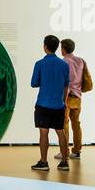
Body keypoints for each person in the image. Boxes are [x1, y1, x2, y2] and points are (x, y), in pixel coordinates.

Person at [30, 34, 70, 172]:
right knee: (61, 132)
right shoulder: (64, 65)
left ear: (45, 47)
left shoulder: (39, 64)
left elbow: (34, 83)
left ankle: (44, 162)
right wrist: (64, 101)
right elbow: (66, 86)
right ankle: (64, 162)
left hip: (43, 104)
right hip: (59, 105)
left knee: (43, 133)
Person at [59, 38, 90, 159]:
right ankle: (77, 151)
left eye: (61, 48)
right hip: (78, 96)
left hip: (67, 97)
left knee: (64, 124)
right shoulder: (80, 60)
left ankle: (64, 151)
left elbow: (67, 81)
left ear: (64, 49)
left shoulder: (64, 61)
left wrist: (62, 99)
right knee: (76, 124)